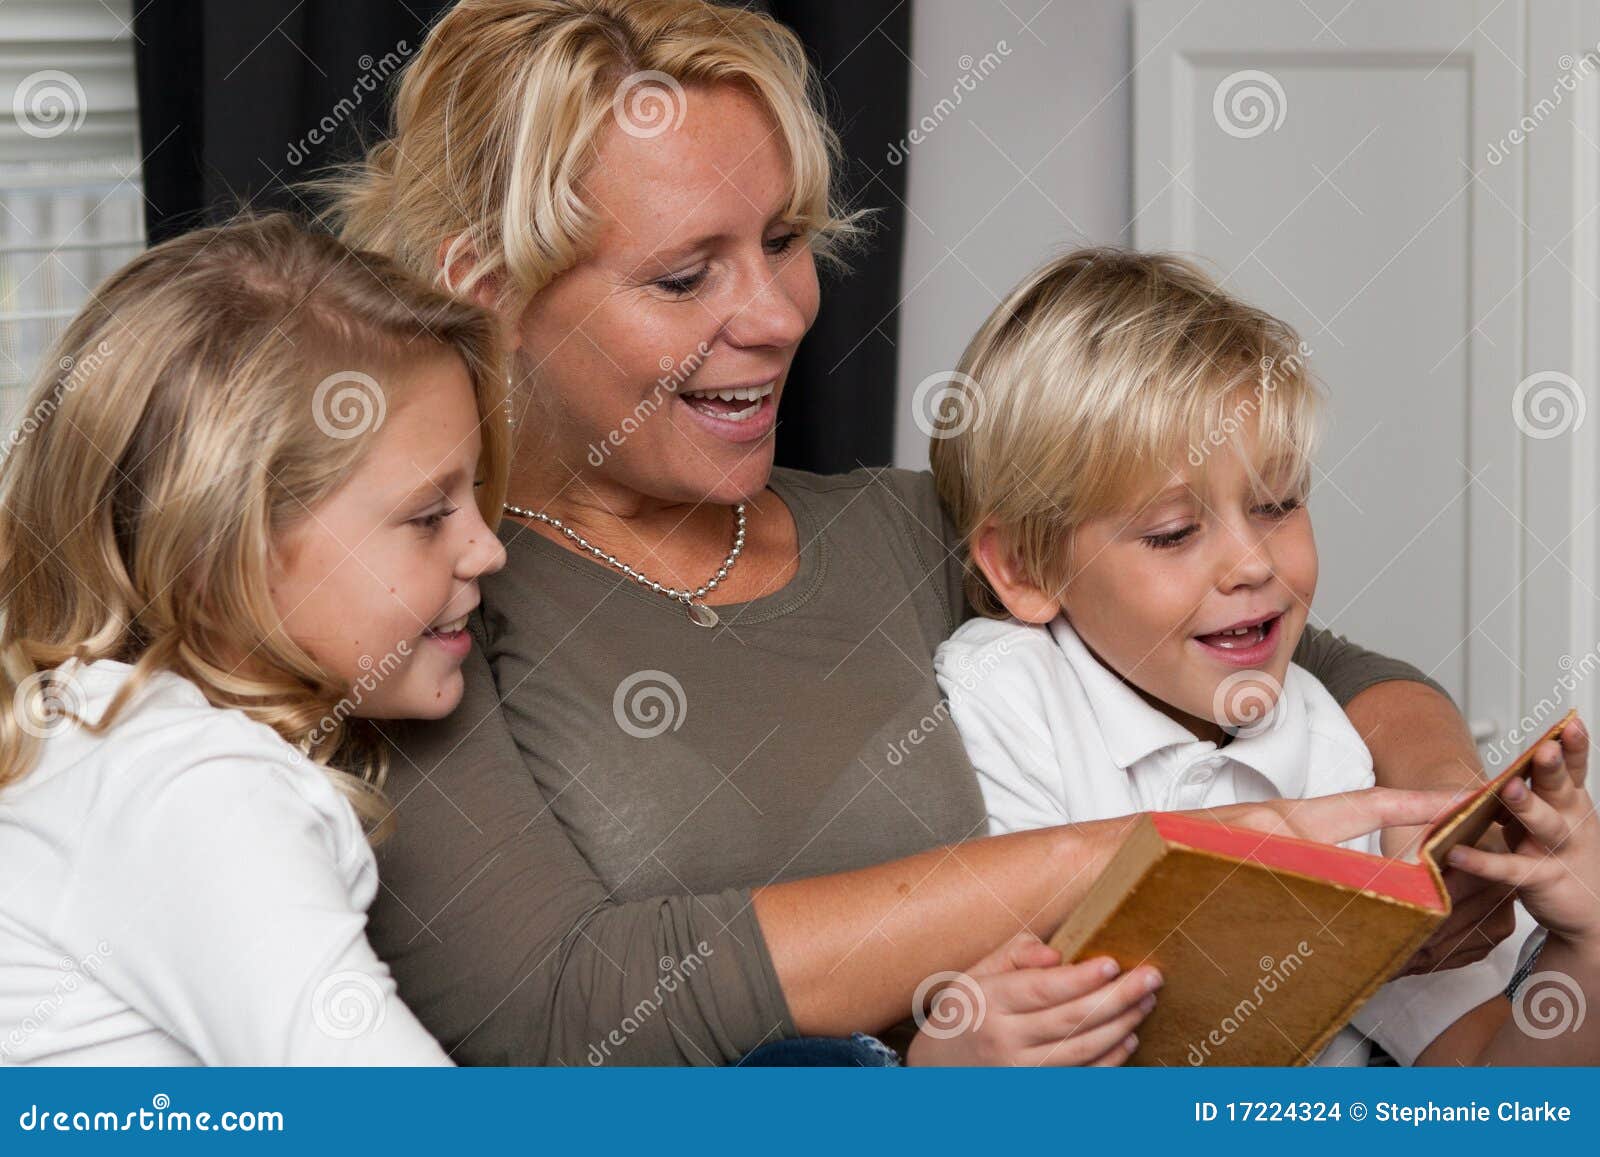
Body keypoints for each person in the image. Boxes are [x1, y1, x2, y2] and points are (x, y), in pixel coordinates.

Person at [324, 0, 1509, 1066]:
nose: (779, 312)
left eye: (783, 240)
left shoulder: (907, 528)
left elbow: (1305, 655)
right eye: (686, 276)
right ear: (486, 285)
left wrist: (1446, 819)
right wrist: (1137, 856)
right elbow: (565, 1010)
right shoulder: (416, 618)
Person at [930, 247, 1596, 1065]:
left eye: (1279, 504)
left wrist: (1586, 943)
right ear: (1026, 567)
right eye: (1174, 532)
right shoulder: (1006, 696)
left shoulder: (1328, 743)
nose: (1253, 564)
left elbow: (1482, 1098)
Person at [0, 213, 508, 1064]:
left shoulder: (89, 734)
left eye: (476, 492)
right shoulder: (191, 785)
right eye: (428, 516)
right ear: (218, 552)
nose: (488, 547)